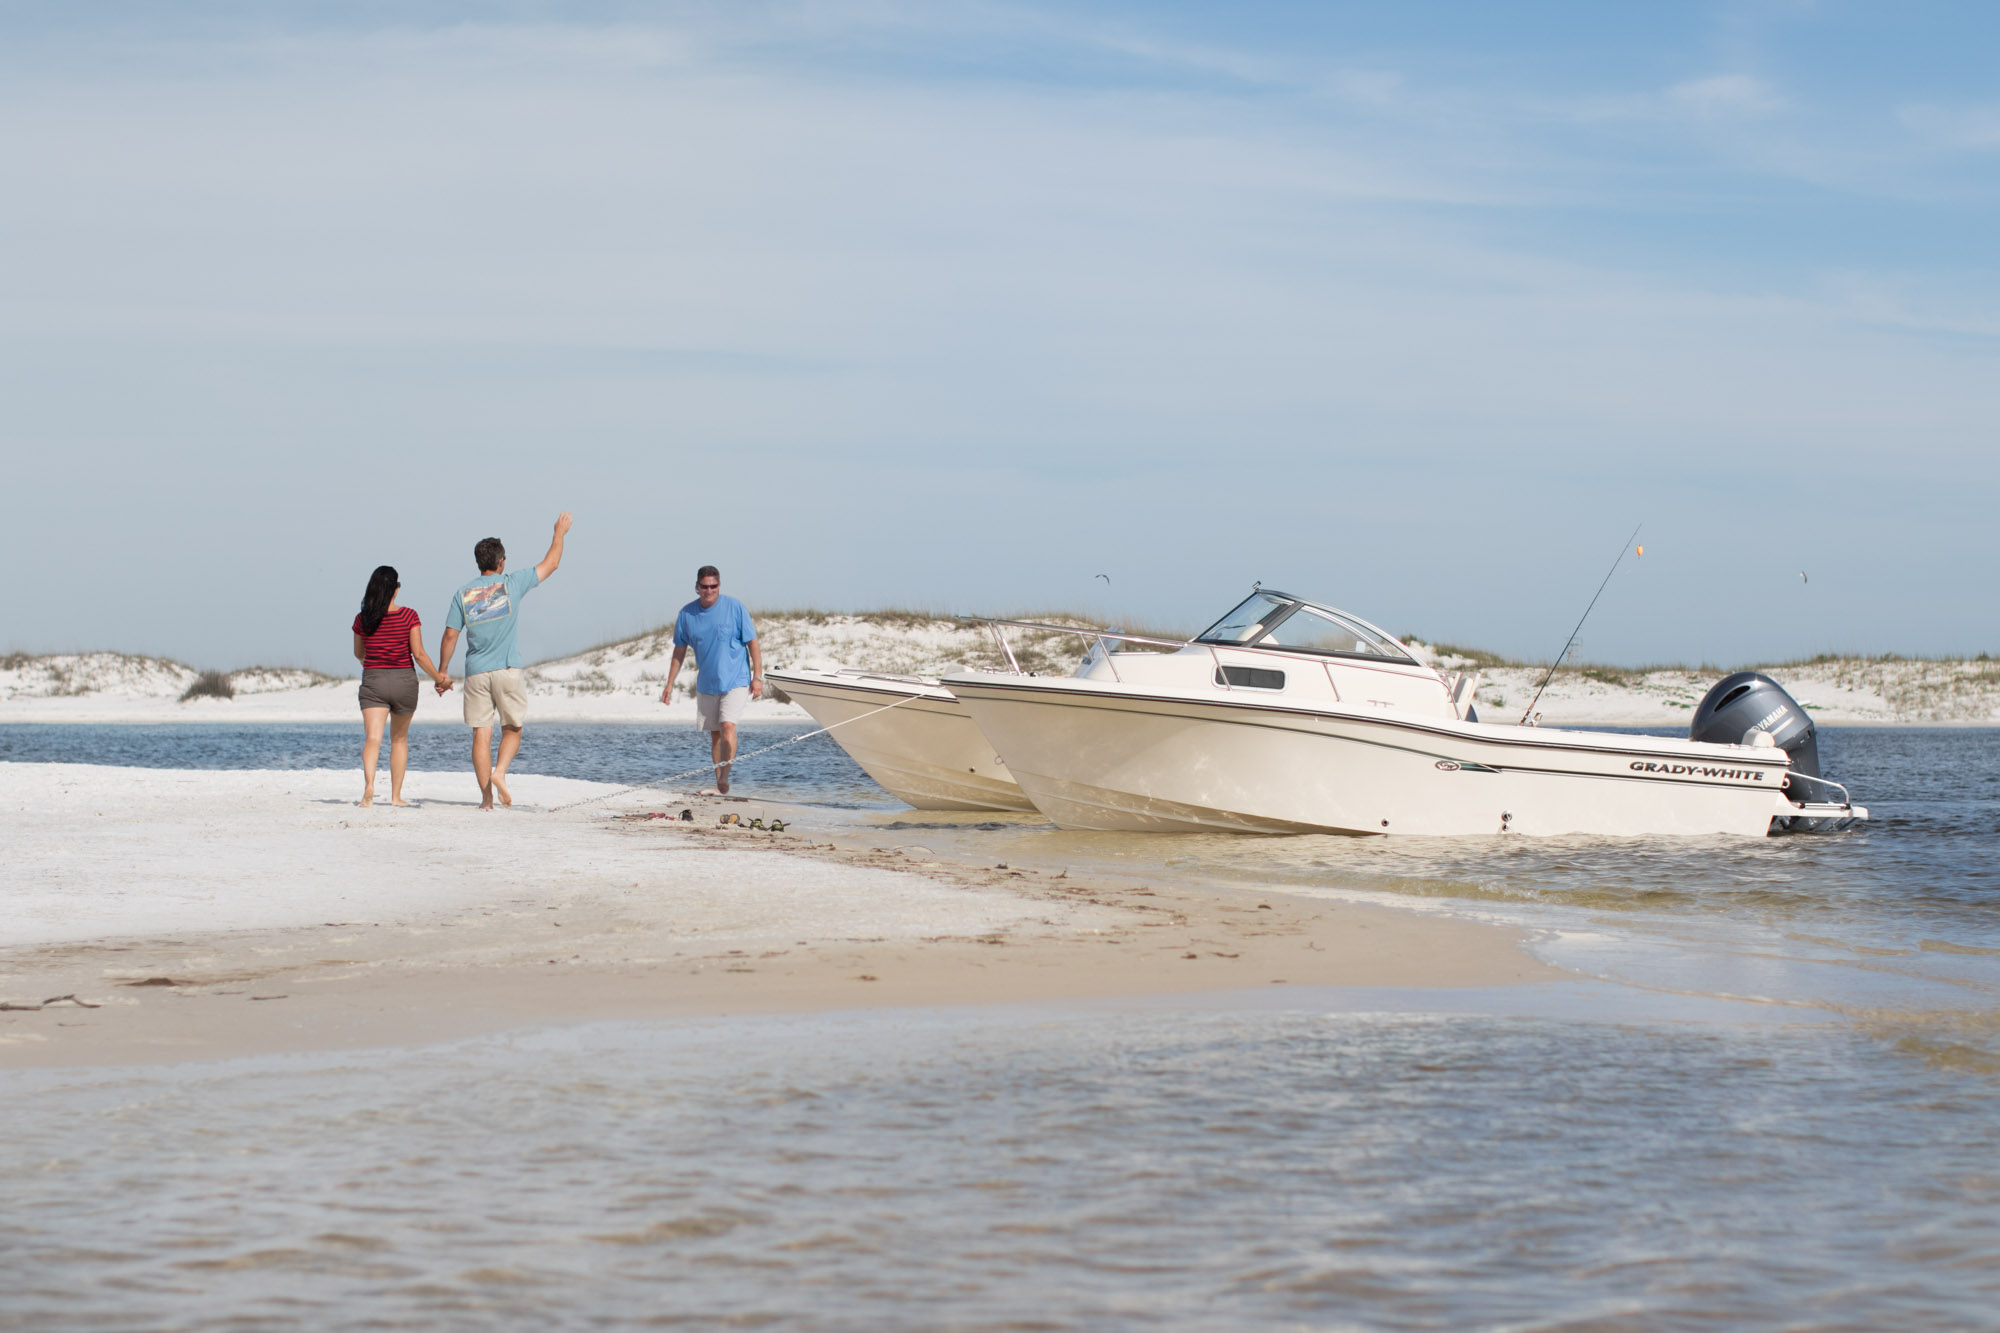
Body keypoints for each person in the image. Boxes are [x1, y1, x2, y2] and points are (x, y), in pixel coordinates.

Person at [436, 513, 572, 809]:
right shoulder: (512, 583)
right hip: (508, 669)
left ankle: (487, 800)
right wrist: (559, 532)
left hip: (476, 673)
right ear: (501, 562)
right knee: (512, 729)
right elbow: (551, 563)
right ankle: (499, 773)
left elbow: (450, 636)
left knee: (481, 735)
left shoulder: (463, 593)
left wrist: (443, 671)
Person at [351, 565, 450, 808]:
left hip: (373, 680)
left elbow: (358, 654)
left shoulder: (362, 618)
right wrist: (440, 679)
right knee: (399, 740)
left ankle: (369, 786)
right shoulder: (408, 615)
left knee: (372, 738)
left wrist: (375, 664)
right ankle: (395, 797)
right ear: (395, 589)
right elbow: (419, 654)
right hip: (404, 681)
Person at [662, 565, 762, 794]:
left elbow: (752, 644)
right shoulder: (687, 614)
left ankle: (725, 777)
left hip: (736, 679)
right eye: (705, 587)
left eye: (713, 586)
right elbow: (679, 651)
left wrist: (757, 677)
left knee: (728, 726)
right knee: (715, 734)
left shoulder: (734, 607)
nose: (709, 591)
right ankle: (719, 781)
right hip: (708, 682)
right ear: (697, 587)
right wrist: (669, 684)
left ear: (719, 585)